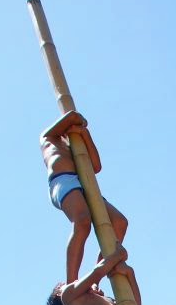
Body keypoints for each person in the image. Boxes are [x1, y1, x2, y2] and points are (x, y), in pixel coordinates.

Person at [40, 110, 127, 282]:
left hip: (85, 184)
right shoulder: (49, 137)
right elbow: (73, 115)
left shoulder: (74, 145)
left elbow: (95, 166)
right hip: (62, 180)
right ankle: (71, 281)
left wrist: (84, 134)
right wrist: (78, 124)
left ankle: (98, 275)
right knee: (82, 221)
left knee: (119, 222)